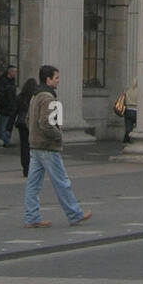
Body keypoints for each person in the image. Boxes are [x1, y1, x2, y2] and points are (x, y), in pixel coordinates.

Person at [24, 65, 91, 228]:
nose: (58, 81)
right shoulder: (48, 97)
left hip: (35, 146)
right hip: (47, 147)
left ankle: (31, 217)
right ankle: (74, 214)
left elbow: (28, 119)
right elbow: (47, 123)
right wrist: (58, 136)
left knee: (33, 184)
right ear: (48, 79)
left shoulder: (35, 96)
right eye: (56, 78)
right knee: (62, 181)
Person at [15, 77, 37, 176]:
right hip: (32, 123)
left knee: (24, 146)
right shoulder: (36, 97)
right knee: (33, 146)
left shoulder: (20, 97)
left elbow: (14, 112)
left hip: (21, 123)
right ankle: (32, 167)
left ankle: (25, 167)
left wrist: (8, 126)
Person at [0, 66, 17, 147]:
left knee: (9, 125)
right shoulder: (2, 80)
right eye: (14, 72)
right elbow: (1, 94)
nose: (15, 73)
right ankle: (6, 141)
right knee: (4, 125)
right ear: (10, 72)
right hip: (5, 106)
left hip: (12, 106)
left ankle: (7, 140)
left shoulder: (12, 80)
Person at [122, 77, 138, 144]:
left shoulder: (127, 90)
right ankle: (133, 140)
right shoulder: (139, 91)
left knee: (128, 128)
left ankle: (126, 140)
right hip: (136, 111)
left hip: (128, 110)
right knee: (137, 127)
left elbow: (124, 100)